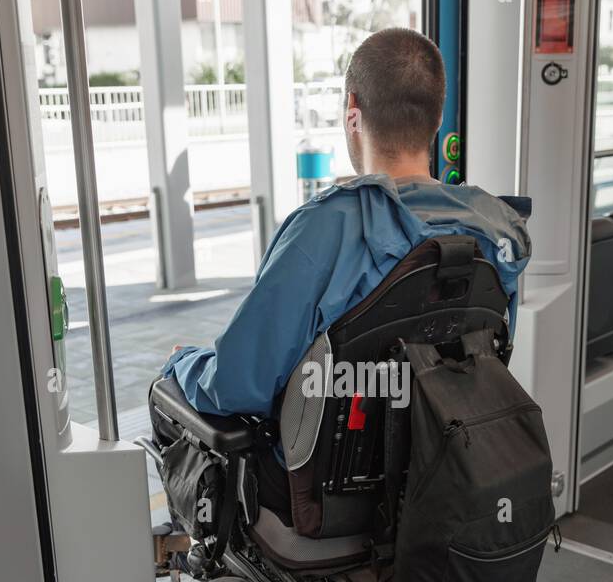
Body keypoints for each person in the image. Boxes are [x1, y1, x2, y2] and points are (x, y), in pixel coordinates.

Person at [162, 27, 532, 422]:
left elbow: (236, 387)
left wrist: (184, 361)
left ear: (352, 110)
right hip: (450, 456)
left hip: (323, 476)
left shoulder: (323, 229)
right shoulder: (495, 228)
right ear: (438, 117)